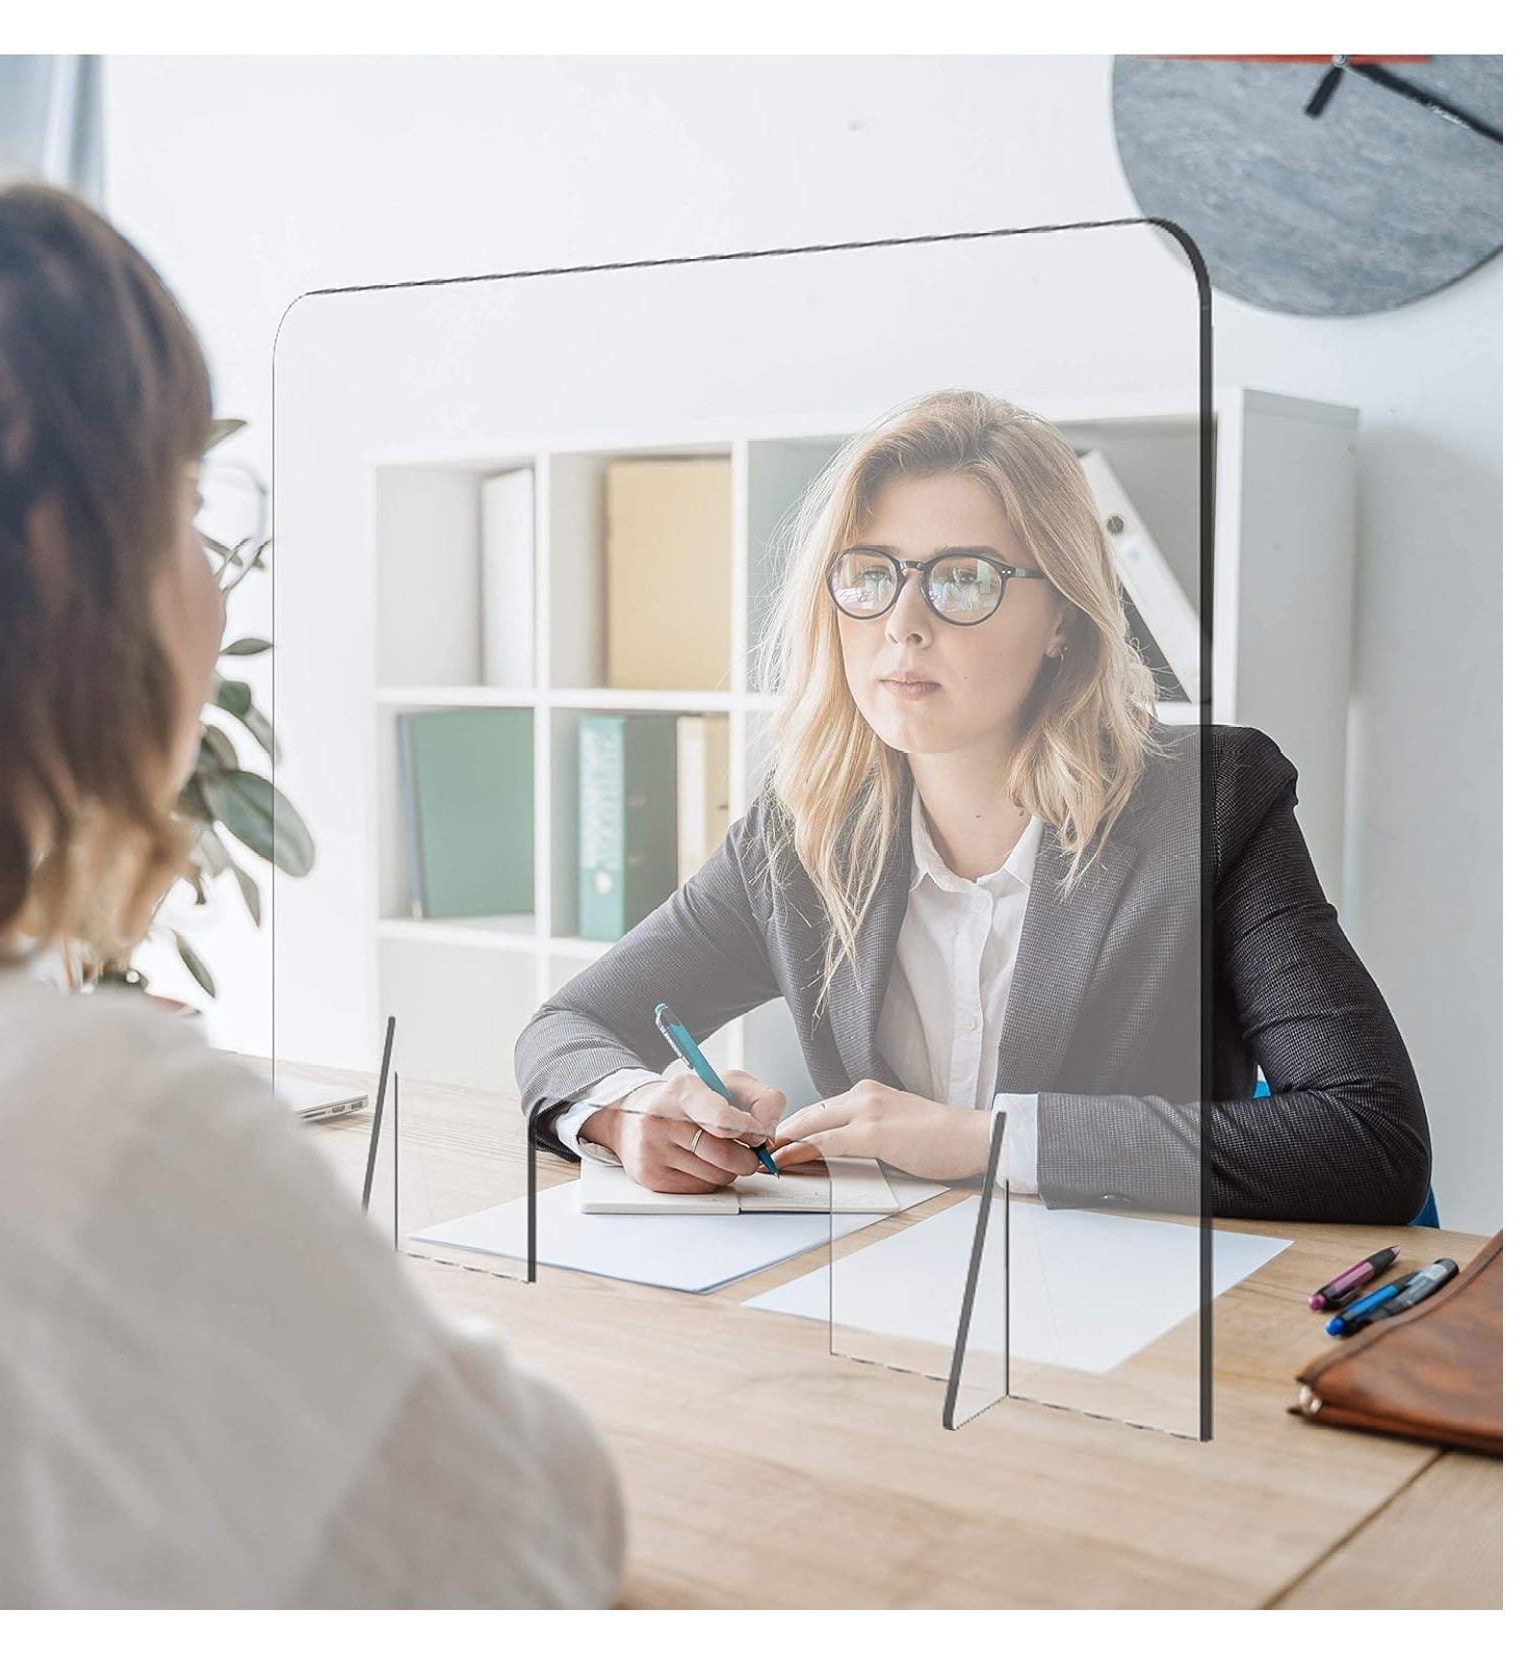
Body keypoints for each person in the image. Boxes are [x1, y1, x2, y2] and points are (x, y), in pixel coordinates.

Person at [0, 170, 623, 1608]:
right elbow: (520, 1544)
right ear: (69, 572)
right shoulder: (91, 1116)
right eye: (184, 501)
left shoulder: (1221, 794)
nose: (216, 575)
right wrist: (620, 1099)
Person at [516, 389, 1432, 1223]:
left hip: (1135, 1325)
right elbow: (569, 1028)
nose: (901, 624)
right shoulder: (801, 831)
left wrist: (979, 1140)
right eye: (870, 574)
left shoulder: (1212, 805)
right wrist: (626, 1113)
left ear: (1064, 617)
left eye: (963, 580)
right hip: (894, 1302)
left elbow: (1369, 1139)